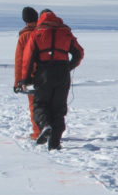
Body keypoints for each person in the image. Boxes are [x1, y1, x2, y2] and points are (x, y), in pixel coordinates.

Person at [14, 8, 84, 149]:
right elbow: (79, 53)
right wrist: (68, 67)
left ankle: (45, 126)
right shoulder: (65, 32)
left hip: (44, 73)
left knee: (40, 105)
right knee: (58, 108)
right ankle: (54, 144)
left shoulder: (37, 33)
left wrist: (24, 80)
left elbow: (27, 59)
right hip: (62, 74)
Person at [13, 7, 41, 141]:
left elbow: (19, 60)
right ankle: (51, 130)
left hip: (30, 77)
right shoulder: (43, 32)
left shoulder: (24, 36)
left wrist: (17, 81)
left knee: (34, 105)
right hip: (47, 74)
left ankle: (37, 132)